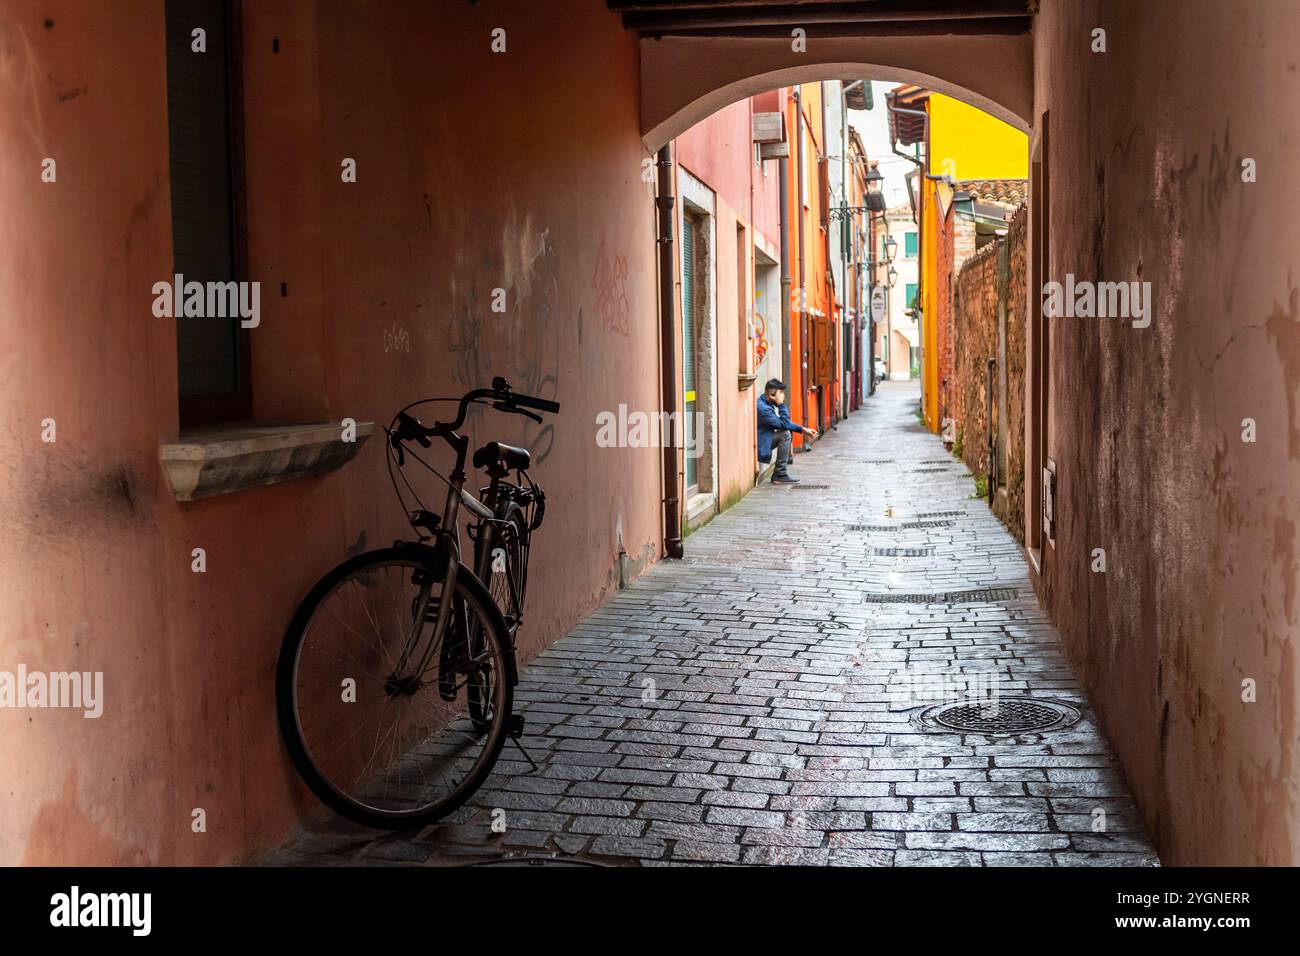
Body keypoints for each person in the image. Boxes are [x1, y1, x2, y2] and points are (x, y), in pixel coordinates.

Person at [756, 378, 818, 483]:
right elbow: (784, 424)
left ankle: (780, 473)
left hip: (762, 439)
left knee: (785, 432)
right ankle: (780, 474)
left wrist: (803, 430)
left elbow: (781, 423)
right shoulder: (763, 409)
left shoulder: (765, 404)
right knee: (785, 434)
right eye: (781, 394)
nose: (783, 397)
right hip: (759, 445)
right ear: (772, 395)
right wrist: (780, 404)